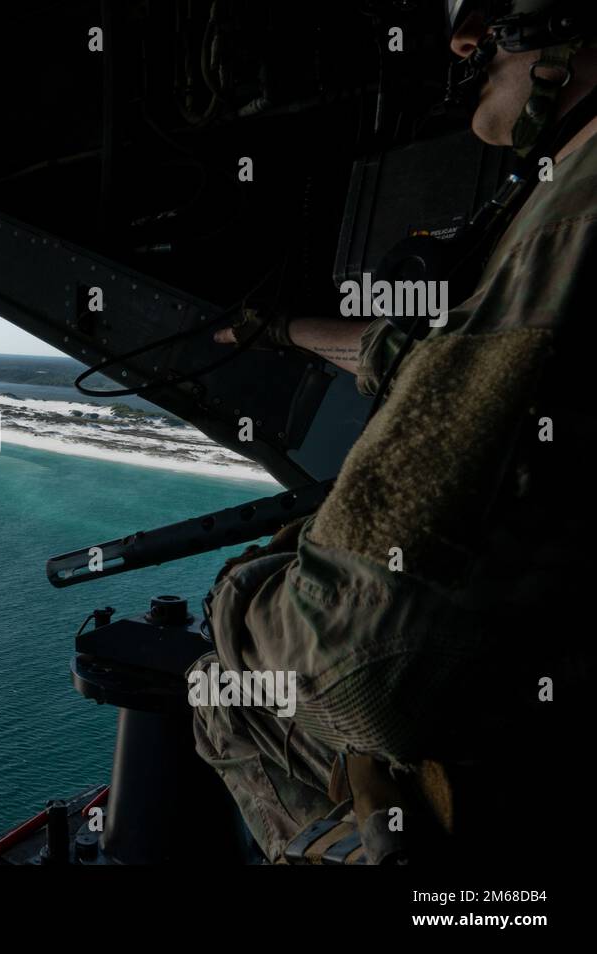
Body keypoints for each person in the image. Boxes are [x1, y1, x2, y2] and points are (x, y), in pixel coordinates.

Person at [193, 0, 597, 863]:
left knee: (222, 690)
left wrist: (238, 597)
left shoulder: (574, 219)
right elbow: (436, 357)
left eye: (491, 9)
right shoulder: (556, 205)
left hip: (526, 753)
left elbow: (358, 661)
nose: (461, 37)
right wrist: (283, 330)